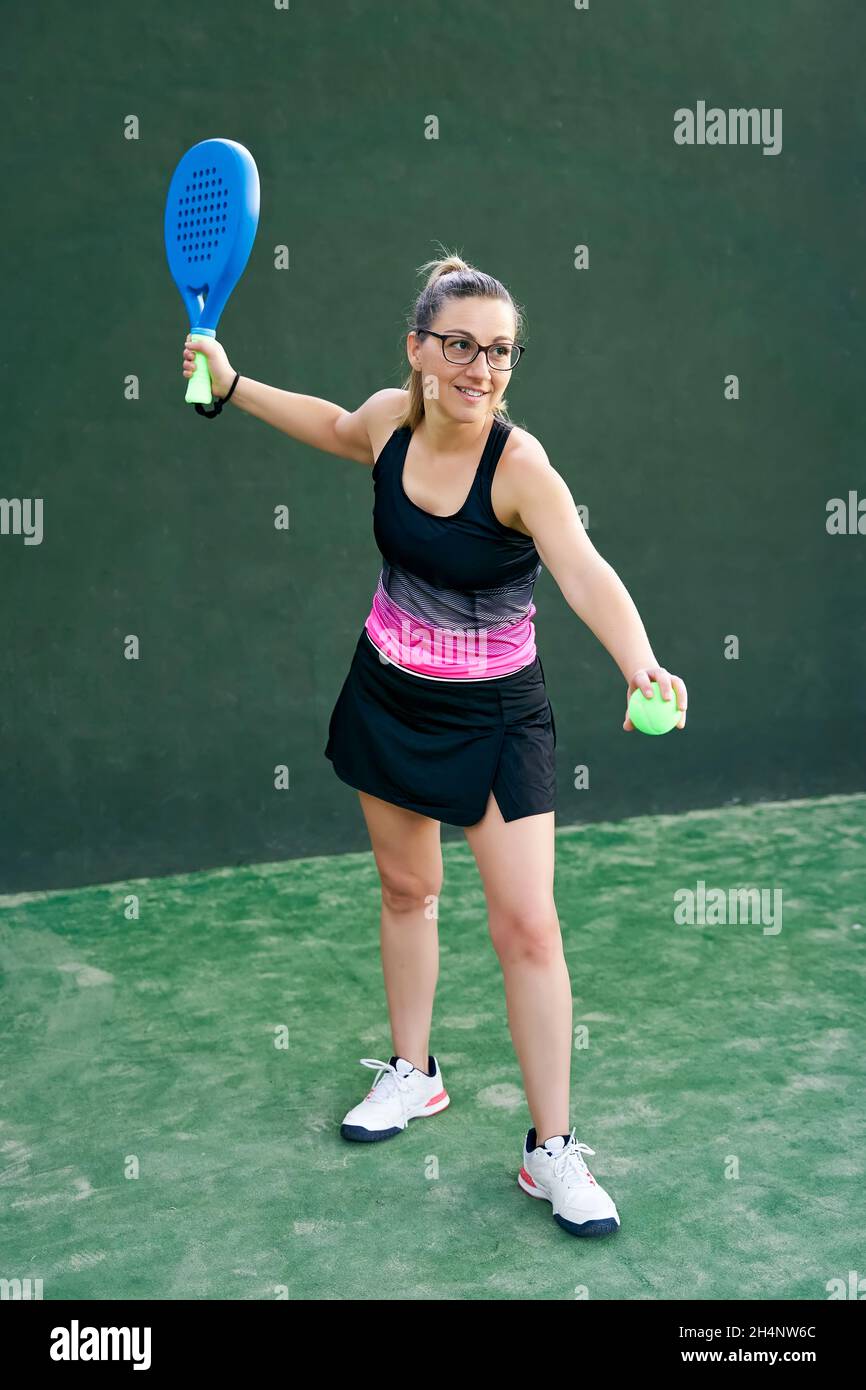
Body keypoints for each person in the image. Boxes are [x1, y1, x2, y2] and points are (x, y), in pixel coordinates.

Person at [181, 251, 688, 1240]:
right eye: (459, 344)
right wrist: (230, 384)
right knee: (406, 890)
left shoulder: (520, 466)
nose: (480, 368)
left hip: (496, 718)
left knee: (527, 929)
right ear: (416, 349)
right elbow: (331, 424)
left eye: (499, 351)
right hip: (388, 696)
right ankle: (413, 1074)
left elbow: (582, 571)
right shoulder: (387, 421)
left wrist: (640, 665)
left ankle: (550, 1150)